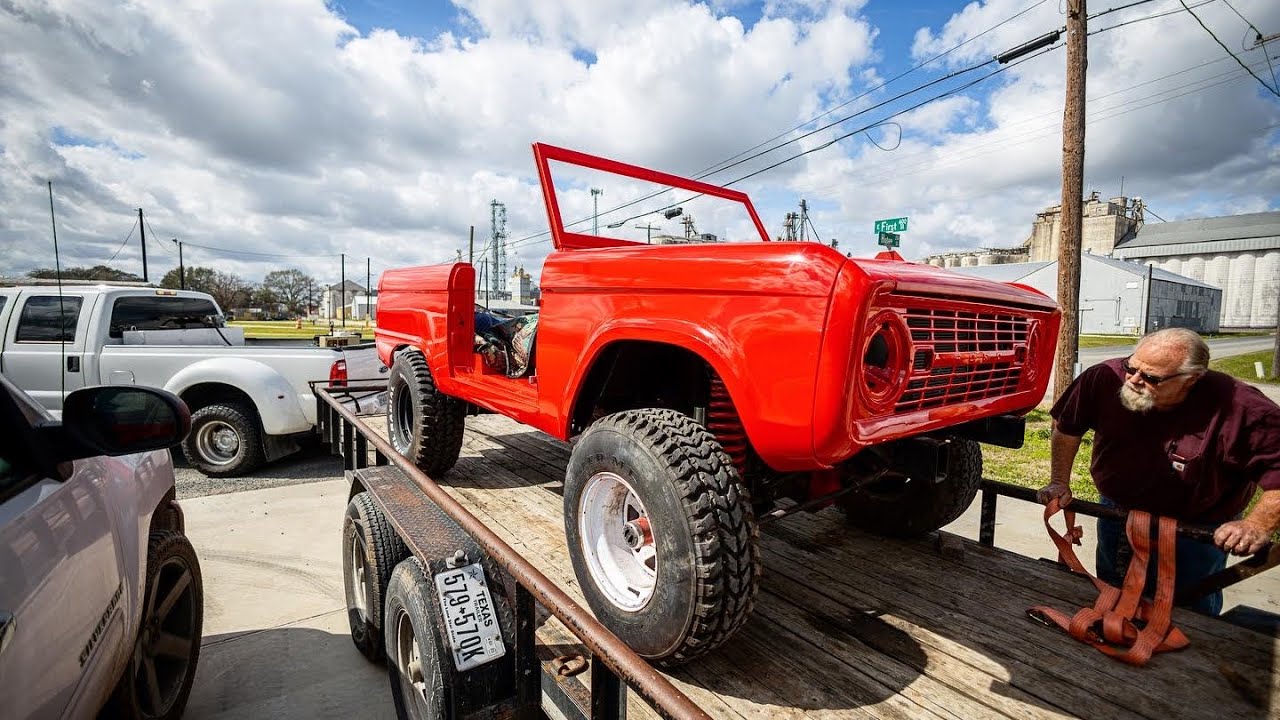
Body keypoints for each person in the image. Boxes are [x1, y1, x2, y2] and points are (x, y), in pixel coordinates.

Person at [1036, 328, 1280, 615]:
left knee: (1187, 611)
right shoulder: (1104, 377)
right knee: (1113, 595)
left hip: (1197, 529)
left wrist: (1257, 525)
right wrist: (1059, 481)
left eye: (1151, 377)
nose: (1133, 380)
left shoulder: (1242, 407)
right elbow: (1067, 427)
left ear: (1192, 378)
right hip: (1118, 514)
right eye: (1131, 367)